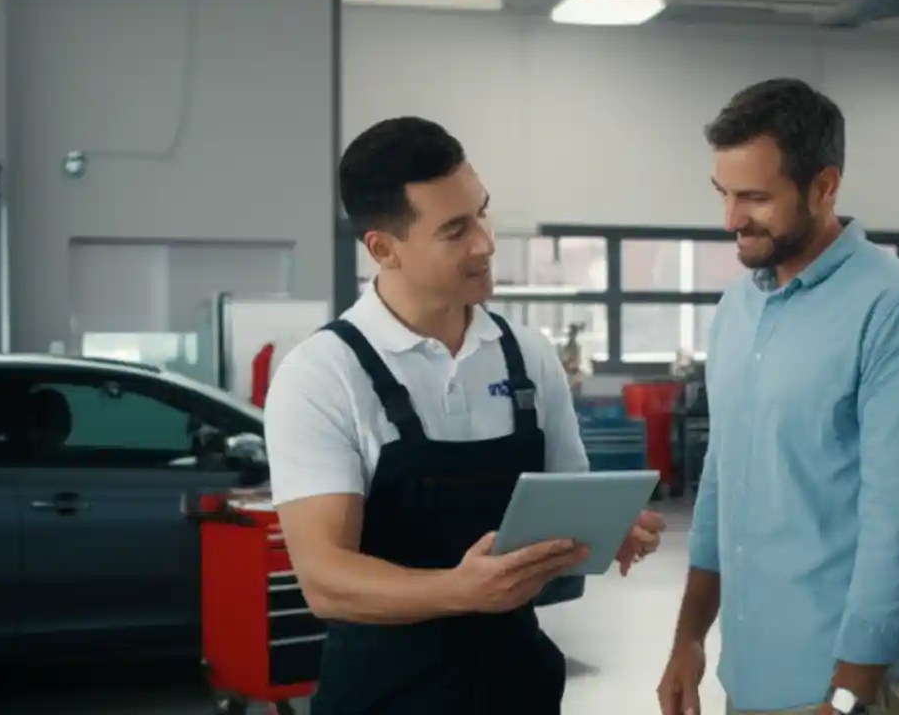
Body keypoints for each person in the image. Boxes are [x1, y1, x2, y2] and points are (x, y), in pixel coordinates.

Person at [265, 116, 665, 715]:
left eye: (481, 212)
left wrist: (609, 529)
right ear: (383, 248)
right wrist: (459, 590)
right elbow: (325, 580)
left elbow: (569, 508)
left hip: (519, 691)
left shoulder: (528, 357)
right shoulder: (322, 375)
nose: (485, 242)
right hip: (385, 699)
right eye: (455, 230)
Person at [657, 79, 899, 715]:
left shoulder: (898, 312)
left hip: (851, 686)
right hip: (751, 677)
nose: (731, 219)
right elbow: (720, 486)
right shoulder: (739, 306)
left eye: (755, 198)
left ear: (824, 187)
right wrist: (689, 638)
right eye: (724, 194)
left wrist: (848, 697)